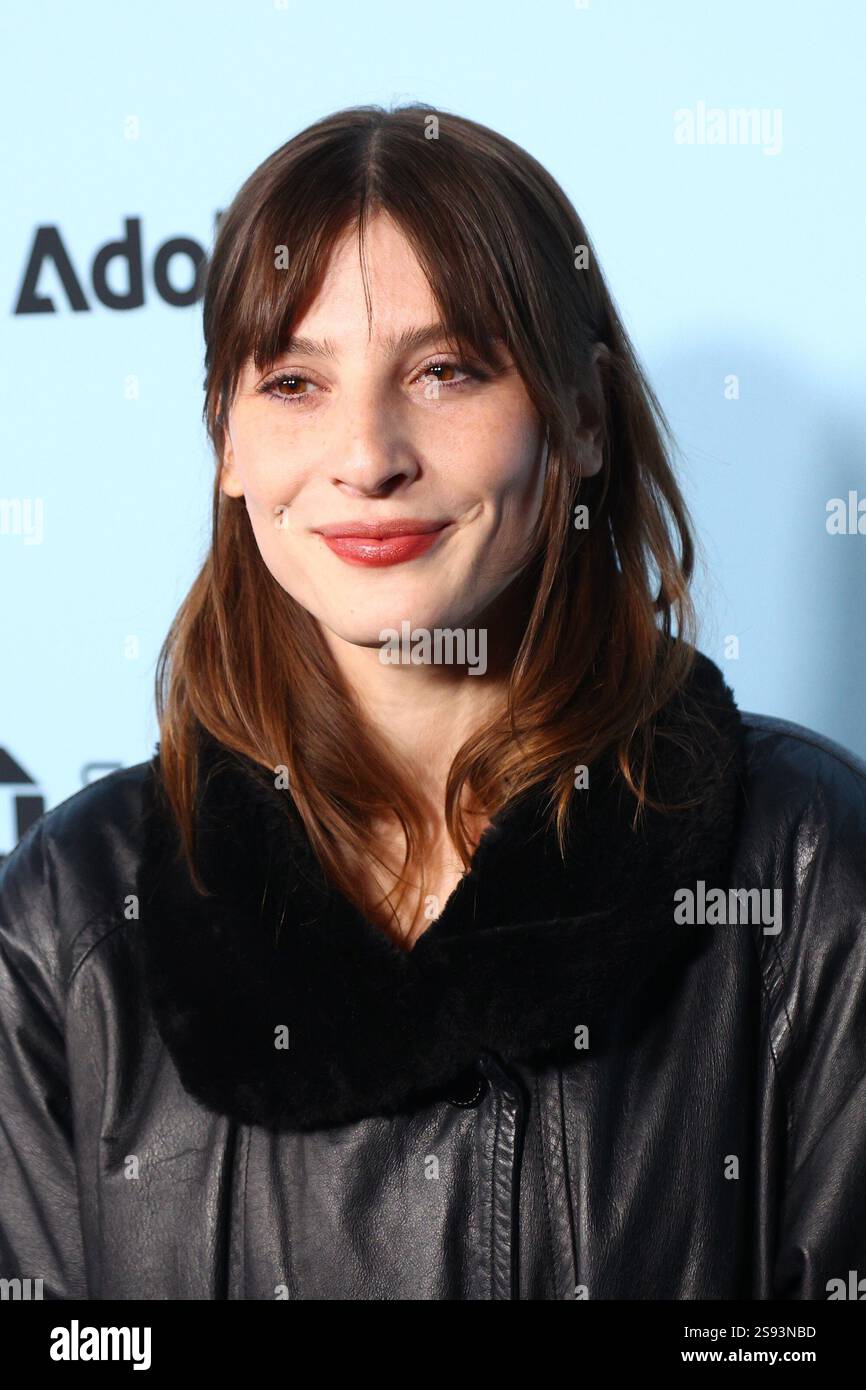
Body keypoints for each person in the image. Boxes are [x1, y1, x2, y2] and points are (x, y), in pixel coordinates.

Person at [2, 104, 866, 1301]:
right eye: (294, 381)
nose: (367, 454)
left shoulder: (806, 859)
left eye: (443, 371)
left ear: (577, 417)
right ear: (227, 447)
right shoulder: (68, 919)